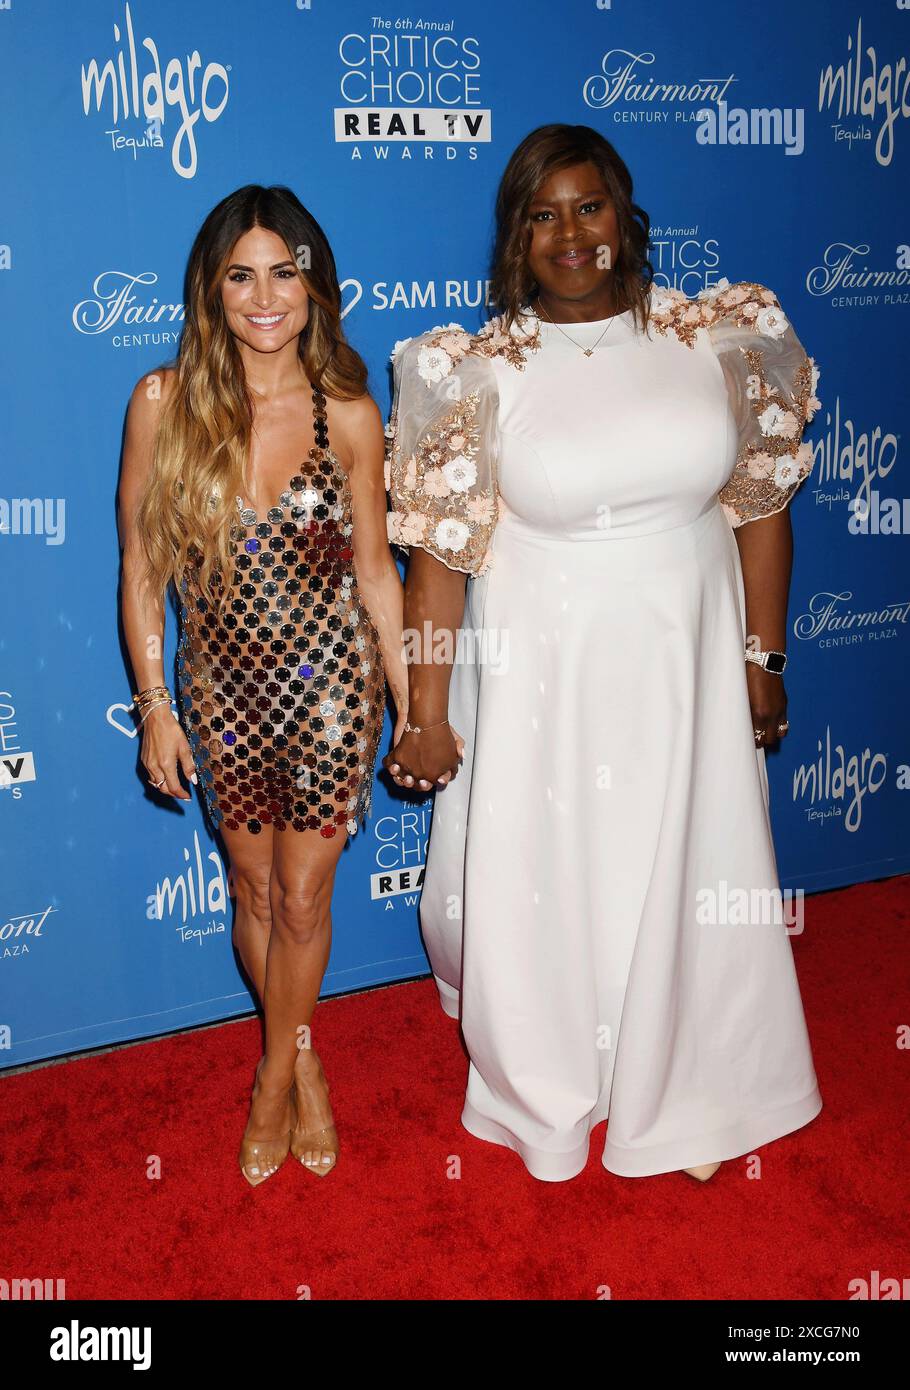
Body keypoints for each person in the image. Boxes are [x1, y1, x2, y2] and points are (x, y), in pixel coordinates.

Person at [383, 124, 823, 1183]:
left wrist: (764, 658)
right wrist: (427, 712)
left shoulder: (718, 333)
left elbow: (760, 507)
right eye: (542, 214)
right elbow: (439, 562)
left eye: (589, 207)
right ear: (514, 235)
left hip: (688, 657)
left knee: (686, 860)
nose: (570, 233)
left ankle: (691, 1084)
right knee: (561, 872)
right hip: (547, 671)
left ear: (625, 215)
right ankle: (555, 1078)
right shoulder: (473, 371)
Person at [118, 185, 407, 1186]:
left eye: (283, 269)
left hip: (333, 688)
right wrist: (155, 707)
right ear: (211, 288)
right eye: (240, 274)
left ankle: (273, 1087)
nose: (264, 294)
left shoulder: (351, 413)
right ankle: (302, 1050)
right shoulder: (163, 404)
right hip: (221, 695)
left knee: (303, 894)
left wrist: (415, 704)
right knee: (250, 887)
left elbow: (377, 570)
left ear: (314, 280)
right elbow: (141, 570)